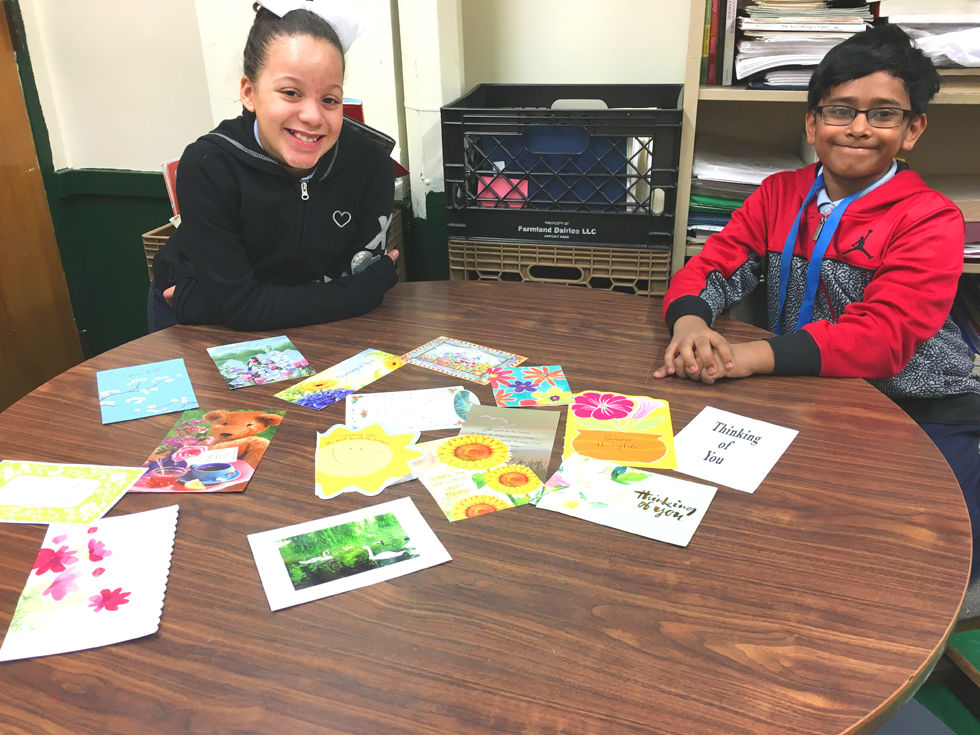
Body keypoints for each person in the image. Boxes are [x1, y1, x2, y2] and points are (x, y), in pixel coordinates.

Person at [654, 24, 980, 581]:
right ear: (812, 122)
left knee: (914, 562)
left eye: (883, 113)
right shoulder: (779, 194)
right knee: (748, 535)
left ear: (913, 129)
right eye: (840, 110)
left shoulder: (930, 219)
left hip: (921, 412)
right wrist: (689, 324)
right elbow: (712, 267)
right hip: (811, 395)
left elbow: (880, 339)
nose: (858, 128)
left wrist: (741, 357)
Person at [148, 3, 399, 332]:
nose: (312, 116)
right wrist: (369, 287)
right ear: (249, 93)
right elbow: (361, 289)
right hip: (189, 323)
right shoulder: (209, 165)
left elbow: (353, 283)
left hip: (218, 309)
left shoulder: (371, 168)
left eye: (329, 99)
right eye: (291, 93)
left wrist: (209, 303)